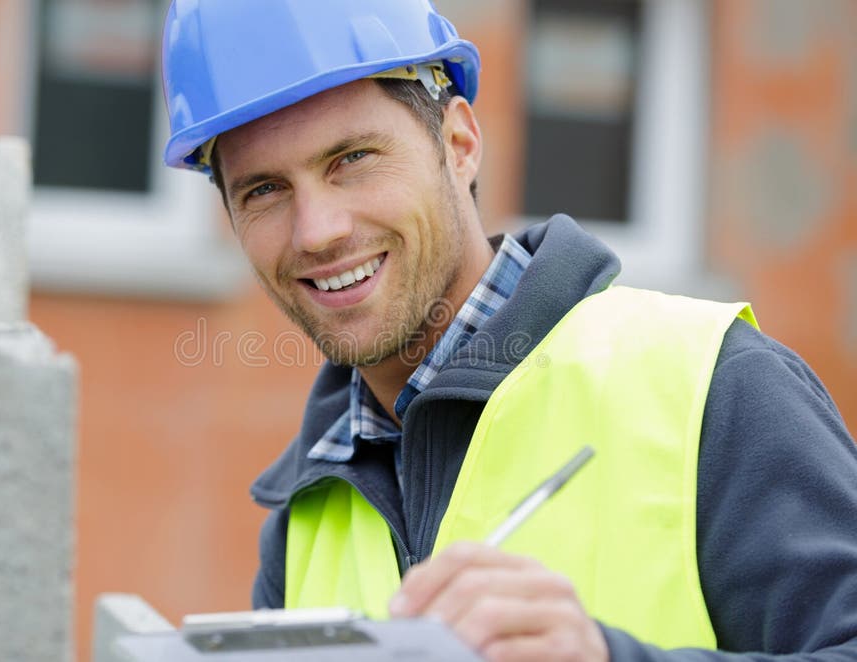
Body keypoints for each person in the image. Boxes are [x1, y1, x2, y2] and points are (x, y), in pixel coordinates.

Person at [160, 1, 857, 660]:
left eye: (352, 159)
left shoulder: (714, 388)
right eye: (265, 190)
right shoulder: (304, 520)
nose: (317, 231)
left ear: (459, 144)